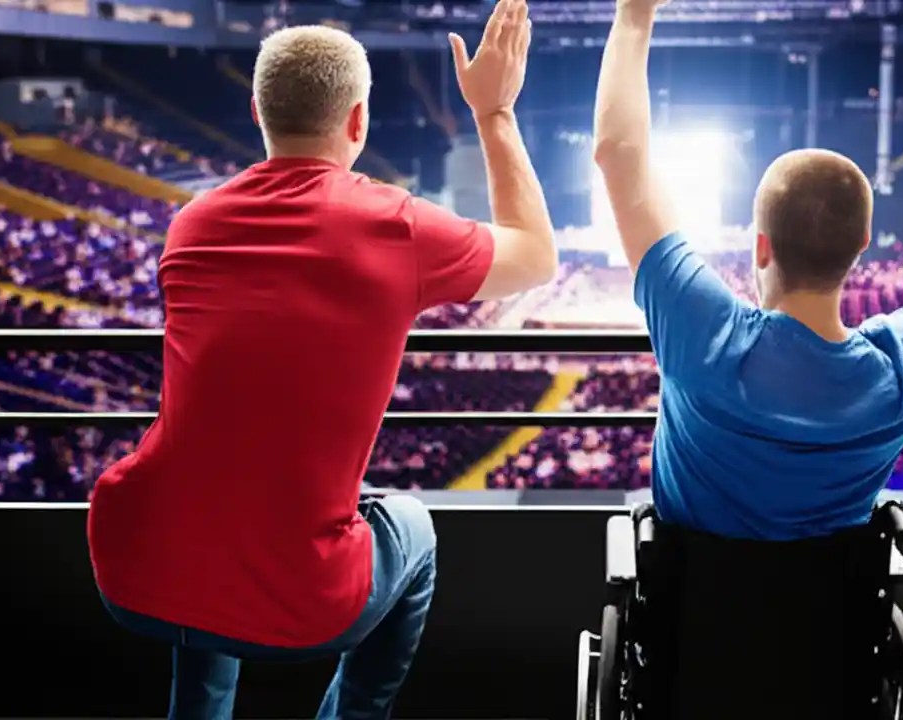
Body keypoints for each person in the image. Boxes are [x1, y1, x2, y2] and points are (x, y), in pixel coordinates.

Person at [87, 4, 554, 718]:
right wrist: (494, 114)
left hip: (136, 557)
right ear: (359, 122)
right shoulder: (395, 225)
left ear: (257, 112)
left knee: (213, 508)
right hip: (305, 599)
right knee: (415, 526)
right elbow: (535, 255)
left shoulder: (191, 223)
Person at [592, 4, 903, 538]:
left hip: (688, 614)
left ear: (761, 246)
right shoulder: (900, 366)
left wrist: (634, 17)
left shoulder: (704, 332)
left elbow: (617, 153)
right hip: (829, 619)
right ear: (861, 246)